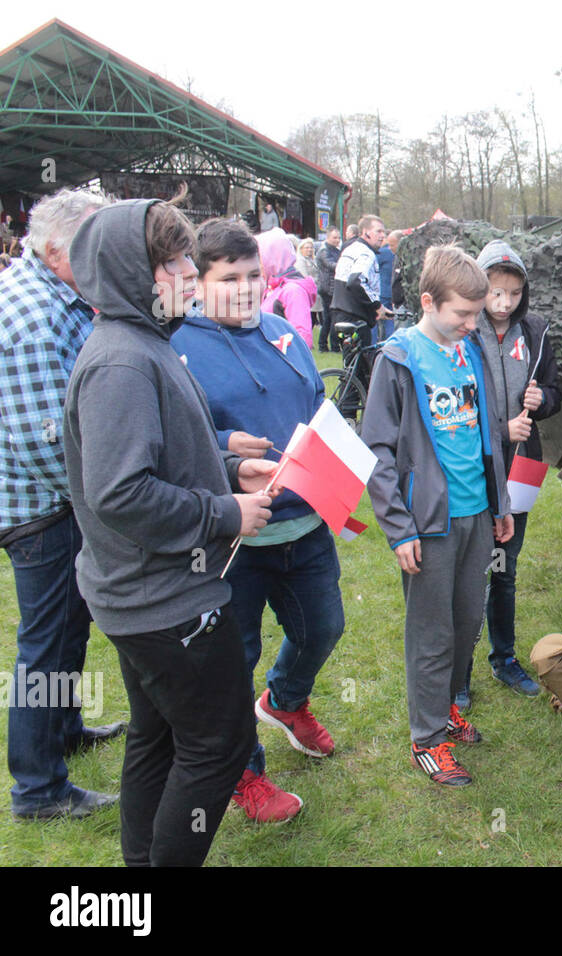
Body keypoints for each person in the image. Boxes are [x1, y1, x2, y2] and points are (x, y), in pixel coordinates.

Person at [63, 196, 280, 866]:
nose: (189, 271)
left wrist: (230, 468)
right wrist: (222, 513)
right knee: (216, 748)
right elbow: (121, 493)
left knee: (156, 741)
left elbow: (163, 454)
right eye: (173, 259)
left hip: (145, 598)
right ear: (133, 271)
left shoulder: (143, 344)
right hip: (166, 604)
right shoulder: (123, 361)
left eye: (187, 256)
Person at [170, 217, 346, 823]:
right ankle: (244, 773)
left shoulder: (282, 333)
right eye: (228, 278)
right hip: (233, 538)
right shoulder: (176, 346)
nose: (245, 289)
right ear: (198, 280)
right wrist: (224, 449)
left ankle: (287, 701)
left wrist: (343, 485)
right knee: (232, 660)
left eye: (253, 276)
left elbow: (317, 411)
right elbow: (171, 442)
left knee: (324, 628)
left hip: (305, 525)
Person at [362, 245, 513, 788]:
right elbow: (375, 450)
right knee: (431, 634)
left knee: (465, 622)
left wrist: (500, 504)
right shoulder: (398, 359)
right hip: (429, 525)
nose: (474, 325)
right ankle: (427, 740)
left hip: (477, 516)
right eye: (463, 315)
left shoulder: (466, 350)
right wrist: (399, 527)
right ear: (428, 301)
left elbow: (487, 433)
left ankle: (446, 707)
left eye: (477, 314)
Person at [0, 187, 123, 822]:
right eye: (91, 245)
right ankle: (37, 787)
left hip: (61, 503)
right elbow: (45, 439)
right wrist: (105, 503)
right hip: (41, 511)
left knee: (71, 628)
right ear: (55, 249)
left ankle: (66, 729)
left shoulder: (60, 295)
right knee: (44, 643)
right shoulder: (30, 315)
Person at [455, 240, 562, 709]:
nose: (503, 304)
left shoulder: (535, 331)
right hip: (471, 467)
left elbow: (558, 390)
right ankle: (457, 673)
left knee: (505, 567)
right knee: (467, 571)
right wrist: (500, 428)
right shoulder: (461, 330)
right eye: (495, 293)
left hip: (521, 467)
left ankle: (504, 659)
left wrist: (544, 403)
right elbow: (451, 408)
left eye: (514, 293)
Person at [331, 215, 390, 348]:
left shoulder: (351, 249)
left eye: (384, 232)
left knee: (350, 363)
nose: (382, 236)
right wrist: (377, 306)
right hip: (355, 320)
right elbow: (356, 281)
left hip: (339, 315)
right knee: (363, 364)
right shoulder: (366, 253)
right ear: (365, 232)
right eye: (378, 231)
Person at [257, 229, 317, 344]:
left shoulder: (293, 291)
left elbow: (301, 337)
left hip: (278, 359)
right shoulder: (272, 287)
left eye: (259, 258)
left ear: (272, 257)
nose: (256, 264)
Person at [315, 227, 342, 352]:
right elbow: (331, 265)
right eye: (334, 237)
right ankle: (328, 345)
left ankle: (326, 345)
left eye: (338, 237)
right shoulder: (324, 251)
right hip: (327, 289)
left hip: (334, 288)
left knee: (330, 318)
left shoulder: (336, 250)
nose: (337, 240)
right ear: (328, 237)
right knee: (330, 318)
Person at [376, 231, 399, 341]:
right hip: (393, 292)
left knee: (381, 321)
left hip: (384, 292)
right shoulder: (395, 253)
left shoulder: (382, 253)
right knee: (391, 321)